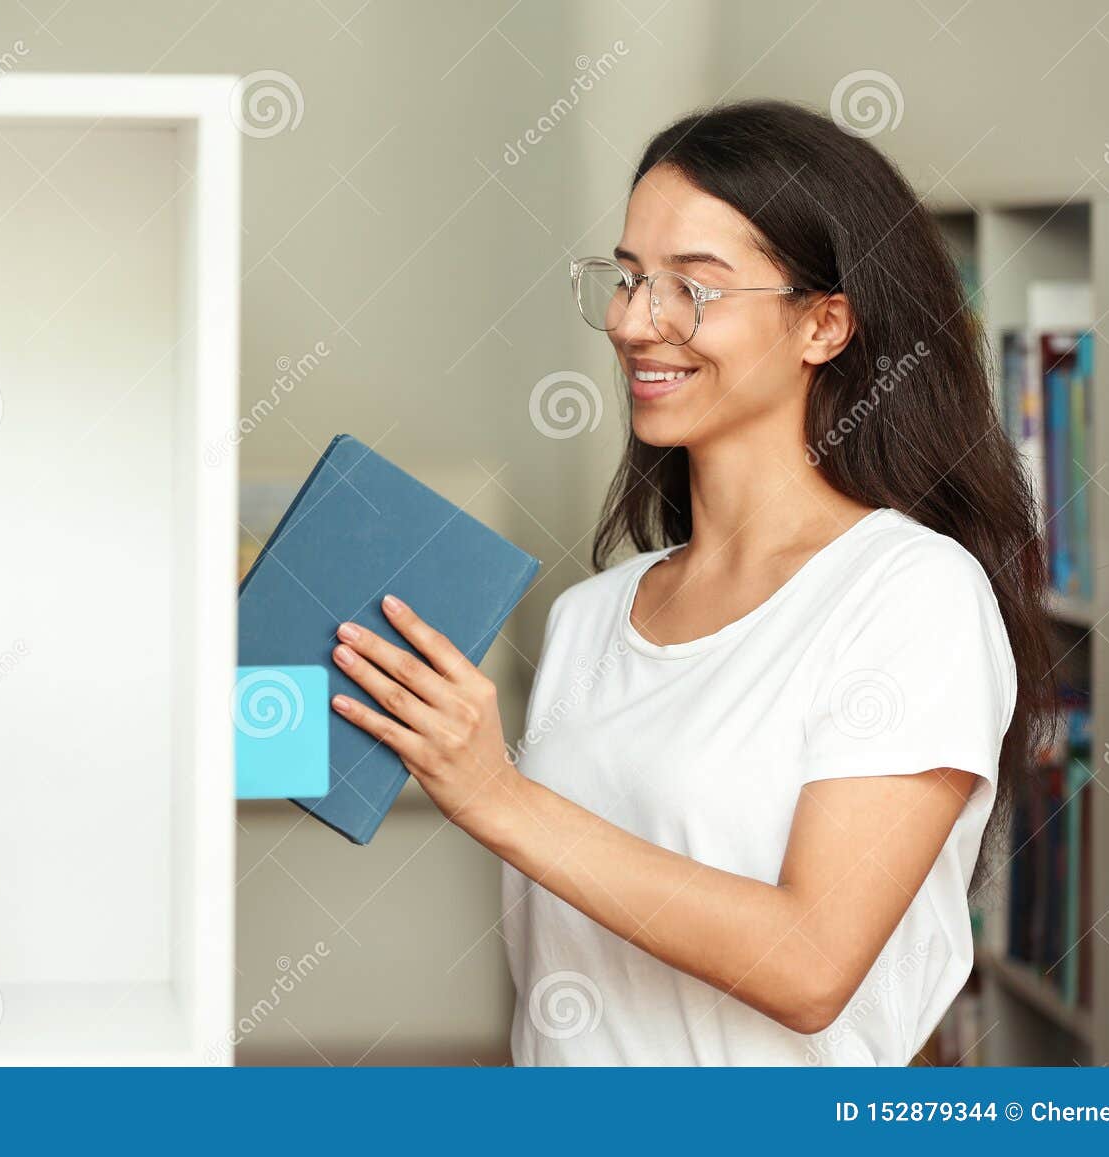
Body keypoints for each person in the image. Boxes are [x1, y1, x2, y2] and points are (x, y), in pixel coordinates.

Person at [329, 99, 1052, 1066]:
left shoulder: (912, 595)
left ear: (824, 324)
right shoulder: (591, 617)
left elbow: (810, 965)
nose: (635, 321)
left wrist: (496, 794)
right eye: (628, 278)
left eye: (692, 287)